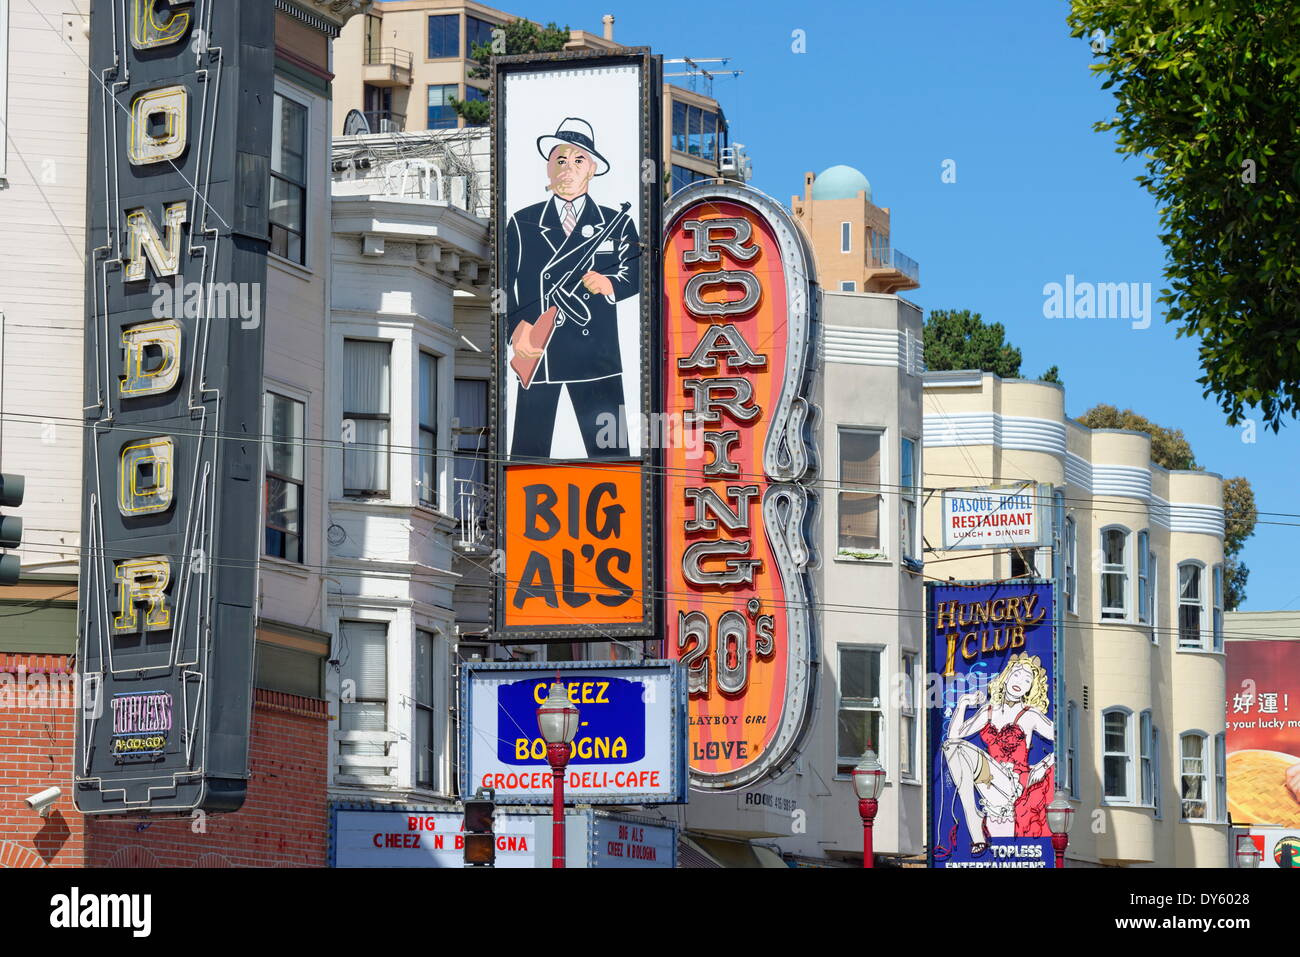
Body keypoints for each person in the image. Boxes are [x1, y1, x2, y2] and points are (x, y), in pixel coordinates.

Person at [504, 117, 640, 460]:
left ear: (592, 169)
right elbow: (506, 285)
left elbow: (639, 271)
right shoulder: (522, 221)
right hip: (540, 352)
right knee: (526, 459)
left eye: (578, 160)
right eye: (560, 160)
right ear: (548, 168)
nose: (568, 168)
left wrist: (610, 283)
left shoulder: (617, 221)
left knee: (614, 459)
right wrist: (515, 331)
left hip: (598, 356)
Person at [940, 653, 1055, 857]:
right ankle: (973, 818)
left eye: (1027, 680)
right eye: (1017, 675)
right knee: (952, 747)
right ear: (1006, 677)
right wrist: (964, 703)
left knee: (956, 748)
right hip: (988, 780)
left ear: (1031, 688)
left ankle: (975, 820)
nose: (1020, 682)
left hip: (1014, 783)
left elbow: (1064, 737)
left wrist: (1044, 765)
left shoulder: (1030, 715)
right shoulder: (989, 711)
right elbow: (954, 735)